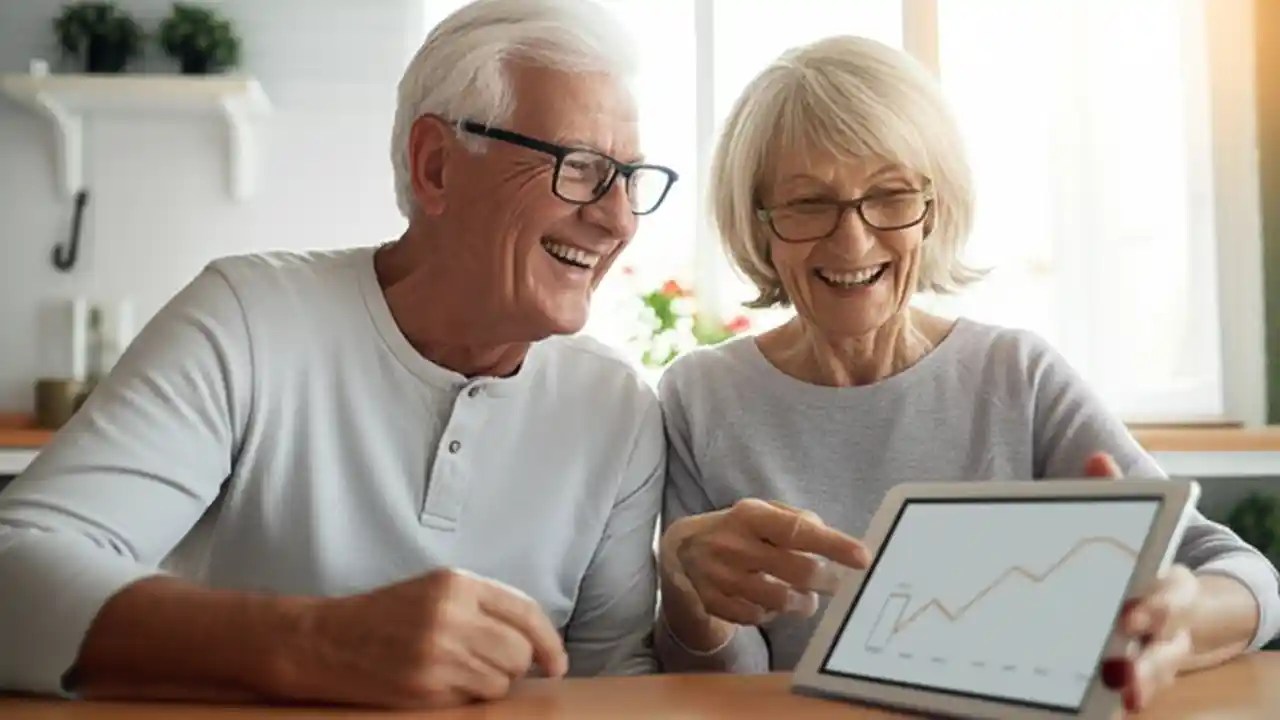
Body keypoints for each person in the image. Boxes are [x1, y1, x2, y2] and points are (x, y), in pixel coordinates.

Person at [0, 0, 679, 709]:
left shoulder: (616, 409)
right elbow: (14, 571)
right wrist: (313, 641)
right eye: (579, 167)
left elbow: (614, 682)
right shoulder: (249, 321)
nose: (618, 219)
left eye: (630, 178)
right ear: (437, 166)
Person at [653, 35, 1280, 714]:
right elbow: (733, 678)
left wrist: (1178, 621)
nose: (853, 240)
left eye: (889, 195)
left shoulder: (1017, 375)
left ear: (933, 209)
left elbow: (1244, 575)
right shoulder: (700, 396)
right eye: (809, 203)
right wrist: (689, 599)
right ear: (759, 224)